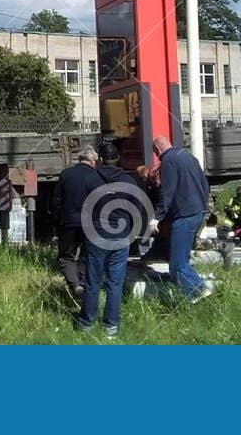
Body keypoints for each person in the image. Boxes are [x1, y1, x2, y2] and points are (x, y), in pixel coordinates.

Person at [74, 139, 148, 338]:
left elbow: (82, 208)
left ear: (100, 159)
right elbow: (138, 211)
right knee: (115, 282)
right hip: (121, 236)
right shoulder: (129, 182)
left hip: (96, 235)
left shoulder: (90, 180)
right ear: (118, 159)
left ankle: (87, 323)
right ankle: (111, 327)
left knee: (93, 281)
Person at [150, 134, 212, 303]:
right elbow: (204, 184)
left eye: (155, 152)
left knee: (177, 264)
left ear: (157, 150)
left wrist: (157, 218)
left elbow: (166, 192)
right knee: (183, 258)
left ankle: (199, 291)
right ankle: (193, 296)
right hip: (198, 212)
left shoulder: (168, 162)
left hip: (184, 217)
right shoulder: (189, 157)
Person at [55, 146, 102, 298]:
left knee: (66, 256)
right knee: (88, 254)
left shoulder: (66, 174)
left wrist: (57, 219)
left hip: (68, 222)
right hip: (91, 224)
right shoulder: (97, 175)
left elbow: (56, 200)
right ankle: (83, 283)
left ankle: (74, 285)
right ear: (93, 160)